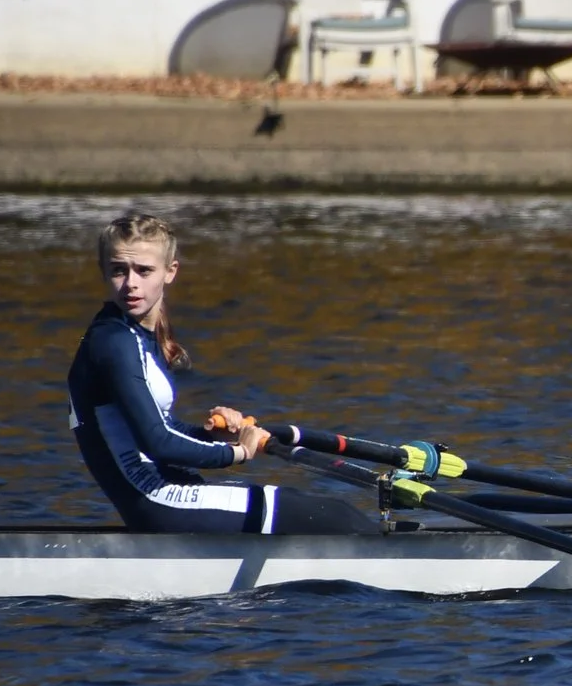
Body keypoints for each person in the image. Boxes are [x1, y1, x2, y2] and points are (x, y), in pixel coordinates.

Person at [67, 212, 372, 534]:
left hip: (170, 488)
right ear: (104, 271)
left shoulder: (134, 334)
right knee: (335, 517)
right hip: (157, 499)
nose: (131, 283)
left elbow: (164, 427)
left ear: (170, 272)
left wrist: (213, 435)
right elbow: (158, 442)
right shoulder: (113, 342)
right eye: (119, 270)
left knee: (320, 508)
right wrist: (237, 452)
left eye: (144, 270)